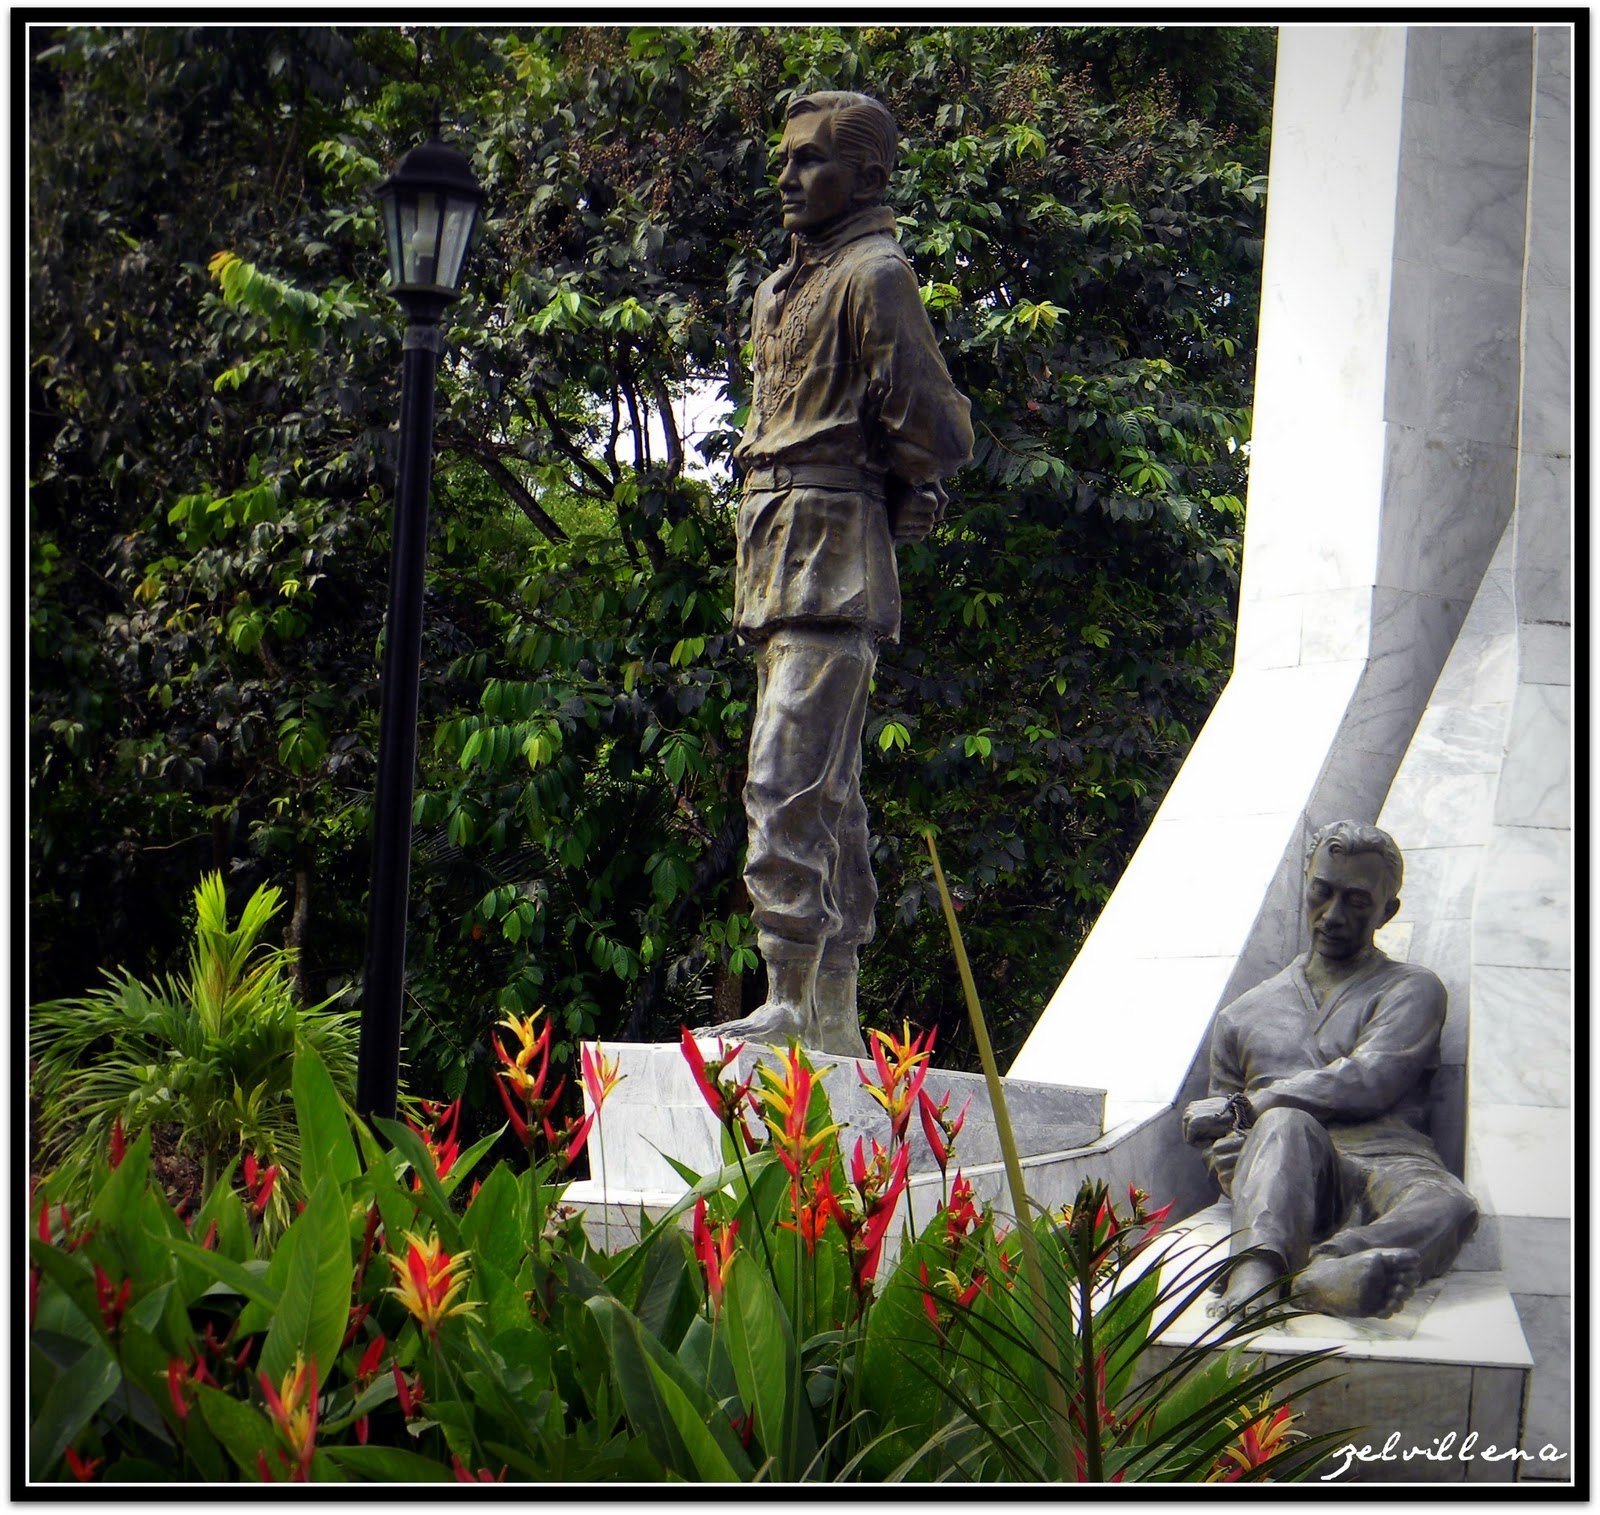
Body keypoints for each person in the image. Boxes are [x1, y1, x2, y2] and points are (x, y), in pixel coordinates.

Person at [707, 91, 973, 1058]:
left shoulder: (876, 274)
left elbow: (937, 428)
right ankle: (831, 1009)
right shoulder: (777, 289)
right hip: (774, 545)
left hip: (833, 547)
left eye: (810, 160)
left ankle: (788, 993)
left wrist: (909, 480)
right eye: (785, 158)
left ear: (866, 177)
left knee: (784, 773)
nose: (787, 176)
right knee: (831, 790)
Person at [1182, 821, 1478, 1318]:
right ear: (1306, 886)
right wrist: (1237, 1160)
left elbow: (1372, 1077)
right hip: (1286, 1169)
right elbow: (1220, 1136)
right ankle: (1256, 1278)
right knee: (1284, 1125)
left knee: (1449, 1203)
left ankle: (1331, 1269)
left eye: (1357, 901)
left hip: (1387, 1162)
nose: (1334, 915)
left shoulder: (1412, 988)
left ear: (1388, 910)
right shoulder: (1242, 1014)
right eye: (1322, 891)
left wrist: (1250, 1106)